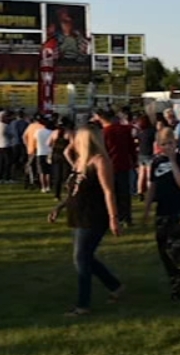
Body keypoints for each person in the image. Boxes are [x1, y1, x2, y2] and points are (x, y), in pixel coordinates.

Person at [49, 123, 125, 316]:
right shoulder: (80, 161)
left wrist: (113, 218)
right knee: (85, 257)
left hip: (93, 215)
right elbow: (74, 192)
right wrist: (59, 207)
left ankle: (83, 304)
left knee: (81, 258)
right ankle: (115, 286)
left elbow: (109, 192)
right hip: (78, 214)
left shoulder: (100, 161)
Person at [144, 128, 180, 301]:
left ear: (176, 143)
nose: (168, 147)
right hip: (163, 210)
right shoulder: (157, 163)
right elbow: (153, 186)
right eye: (164, 144)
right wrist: (146, 208)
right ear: (159, 146)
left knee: (176, 248)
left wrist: (174, 161)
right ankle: (175, 281)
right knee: (163, 249)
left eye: (171, 143)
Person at [101, 110, 137, 227]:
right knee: (124, 193)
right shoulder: (125, 130)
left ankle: (113, 216)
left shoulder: (104, 132)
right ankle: (126, 217)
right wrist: (134, 160)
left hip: (109, 165)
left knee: (111, 192)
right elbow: (131, 146)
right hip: (123, 163)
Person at [0, 110, 17, 184]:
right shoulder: (5, 125)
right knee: (8, 162)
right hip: (6, 145)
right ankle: (7, 178)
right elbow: (11, 135)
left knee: (0, 162)